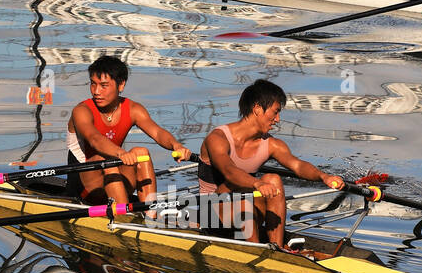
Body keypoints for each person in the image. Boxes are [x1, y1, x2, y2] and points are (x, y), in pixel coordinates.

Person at [197, 79, 343, 248]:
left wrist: (323, 176)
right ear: (257, 109)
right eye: (275, 112)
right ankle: (256, 250)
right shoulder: (218, 139)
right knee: (244, 195)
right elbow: (229, 171)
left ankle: (276, 249)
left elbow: (297, 165)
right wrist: (256, 183)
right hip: (211, 214)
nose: (278, 119)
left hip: (245, 212)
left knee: (273, 179)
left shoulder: (272, 144)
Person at [66, 56, 190, 204]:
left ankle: (150, 214)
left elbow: (157, 132)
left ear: (121, 85)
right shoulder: (82, 111)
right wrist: (121, 153)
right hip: (86, 186)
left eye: (104, 85)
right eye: (93, 84)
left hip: (116, 178)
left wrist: (176, 145)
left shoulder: (133, 109)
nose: (96, 91)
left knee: (141, 152)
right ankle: (124, 218)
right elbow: (95, 140)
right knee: (107, 160)